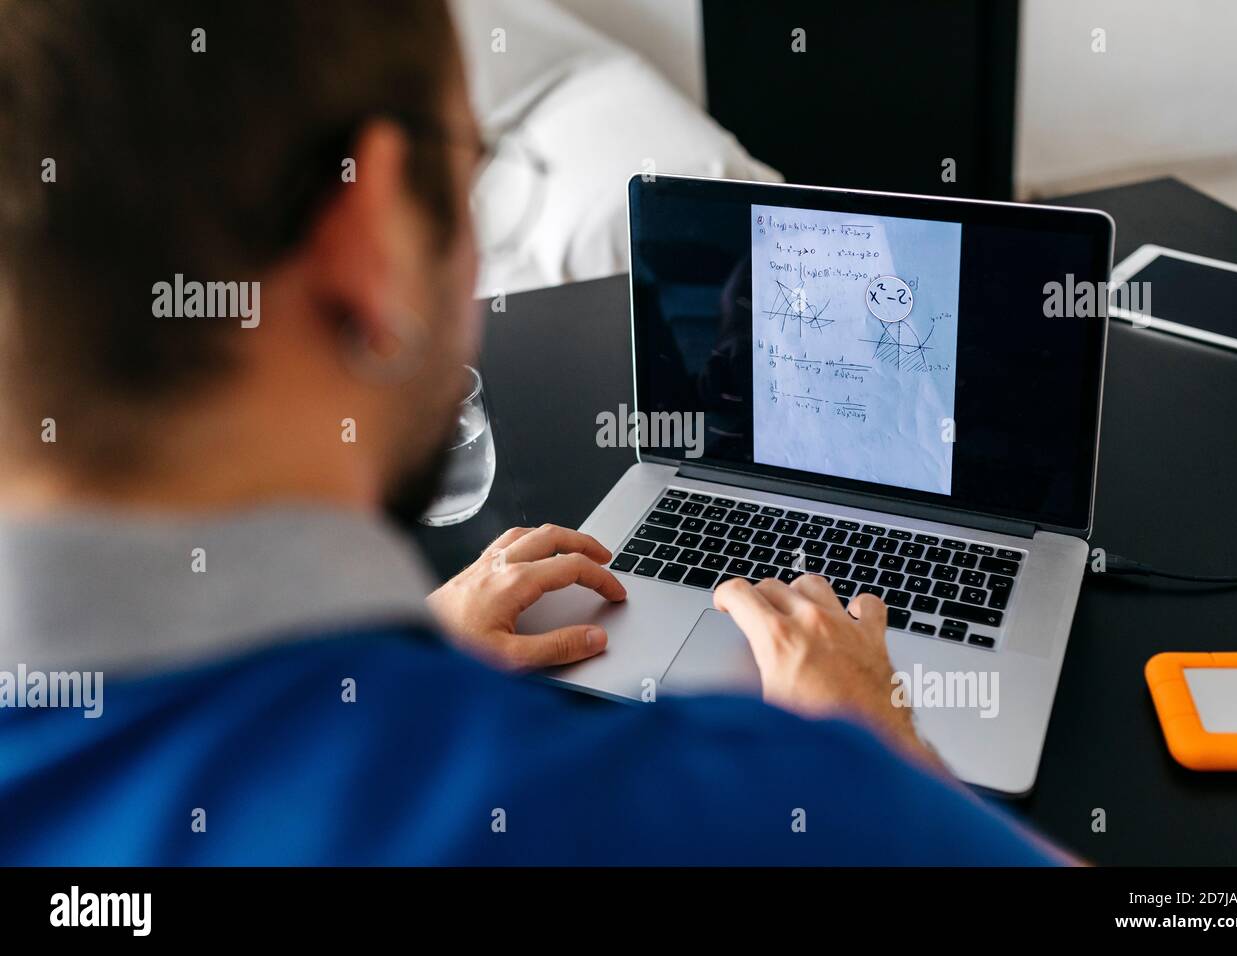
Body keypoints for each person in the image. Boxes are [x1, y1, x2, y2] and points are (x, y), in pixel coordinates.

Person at [0, 0, 1063, 865]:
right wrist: (878, 764)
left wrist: (375, 663)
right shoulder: (753, 805)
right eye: (469, 169)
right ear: (368, 239)